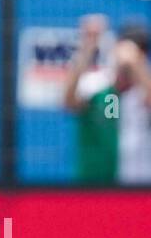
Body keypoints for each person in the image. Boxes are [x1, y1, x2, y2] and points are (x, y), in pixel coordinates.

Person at [64, 16, 151, 185]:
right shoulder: (97, 83)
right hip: (97, 181)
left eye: (140, 50)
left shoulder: (144, 85)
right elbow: (69, 102)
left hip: (138, 183)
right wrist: (87, 48)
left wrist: (136, 66)